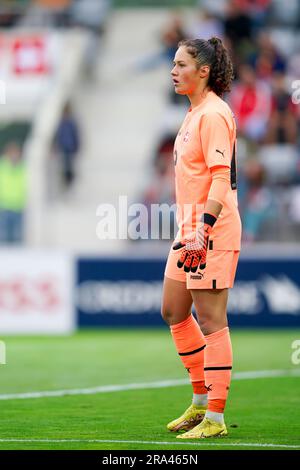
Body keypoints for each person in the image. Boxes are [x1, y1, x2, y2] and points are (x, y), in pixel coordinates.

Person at [162, 37, 242, 439]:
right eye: (173, 64)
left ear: (204, 71)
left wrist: (203, 230)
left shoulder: (213, 114)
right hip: (189, 229)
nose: (173, 71)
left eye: (180, 64)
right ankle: (198, 401)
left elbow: (221, 179)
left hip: (210, 229)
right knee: (174, 310)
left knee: (211, 321)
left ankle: (215, 416)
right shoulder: (193, 113)